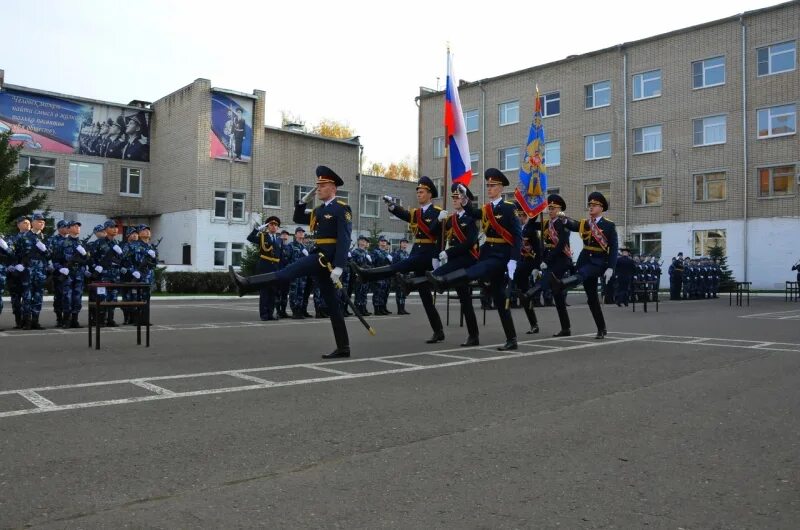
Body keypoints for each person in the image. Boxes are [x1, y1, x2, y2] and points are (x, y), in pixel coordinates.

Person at [230, 165, 353, 359]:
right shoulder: (320, 210)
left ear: (333, 188)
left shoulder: (341, 208)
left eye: (322, 185)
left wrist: (339, 265)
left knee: (287, 272)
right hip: (320, 257)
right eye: (317, 186)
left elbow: (345, 238)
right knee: (333, 305)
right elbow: (298, 217)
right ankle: (344, 347)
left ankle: (247, 284)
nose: (318, 189)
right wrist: (303, 201)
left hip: (324, 259)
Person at [427, 169, 522, 351]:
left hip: (501, 256)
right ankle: (512, 339)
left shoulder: (510, 208)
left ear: (501, 188)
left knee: (476, 271)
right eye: (488, 185)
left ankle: (443, 281)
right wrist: (464, 198)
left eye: (493, 186)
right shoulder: (486, 209)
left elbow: (517, 236)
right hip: (488, 253)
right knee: (501, 299)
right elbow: (472, 212)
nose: (490, 188)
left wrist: (514, 260)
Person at [351, 176, 445, 343]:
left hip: (427, 254)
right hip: (417, 251)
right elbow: (405, 214)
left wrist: (437, 257)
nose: (419, 194)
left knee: (399, 266)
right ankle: (438, 331)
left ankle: (367, 275)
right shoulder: (417, 213)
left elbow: (441, 237)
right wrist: (392, 206)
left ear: (430, 194)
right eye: (417, 192)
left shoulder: (437, 212)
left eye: (422, 192)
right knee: (425, 296)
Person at [408, 183, 480, 346]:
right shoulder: (451, 218)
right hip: (455, 260)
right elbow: (434, 233)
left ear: (465, 199)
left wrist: (448, 253)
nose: (454, 200)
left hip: (466, 260)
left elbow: (470, 243)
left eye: (458, 197)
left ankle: (412, 283)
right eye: (453, 197)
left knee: (441, 277)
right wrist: (438, 220)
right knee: (464, 298)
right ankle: (473, 335)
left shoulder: (471, 218)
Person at [551, 191, 618, 339]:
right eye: (589, 205)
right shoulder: (586, 223)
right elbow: (574, 225)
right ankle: (602, 328)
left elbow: (613, 248)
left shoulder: (608, 225)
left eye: (594, 205)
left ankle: (562, 284)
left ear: (601, 207)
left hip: (598, 261)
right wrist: (563, 219)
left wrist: (610, 267)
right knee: (592, 298)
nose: (591, 207)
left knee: (584, 273)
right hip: (585, 258)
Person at [53, 221, 90, 328]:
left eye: (78, 226)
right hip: (67, 274)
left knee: (77, 297)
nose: (77, 228)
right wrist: (61, 269)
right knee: (67, 297)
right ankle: (66, 320)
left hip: (79, 274)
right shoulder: (62, 243)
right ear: (68, 229)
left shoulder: (83, 243)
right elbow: (55, 260)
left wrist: (85, 255)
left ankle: (75, 320)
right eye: (74, 226)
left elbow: (88, 260)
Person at [247, 216, 283, 321]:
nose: (274, 226)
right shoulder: (263, 236)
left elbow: (279, 256)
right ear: (268, 226)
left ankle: (270, 314)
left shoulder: (279, 240)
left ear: (277, 228)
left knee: (273, 291)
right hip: (264, 266)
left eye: (276, 225)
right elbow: (250, 238)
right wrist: (257, 229)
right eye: (271, 224)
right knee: (264, 292)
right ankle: (264, 314)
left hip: (275, 268)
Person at [515, 204, 542, 334]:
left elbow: (538, 249)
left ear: (525, 216)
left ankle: (534, 323)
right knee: (523, 294)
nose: (519, 218)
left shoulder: (530, 229)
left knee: (526, 294)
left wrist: (537, 267)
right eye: (518, 215)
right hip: (520, 264)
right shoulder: (516, 228)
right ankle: (533, 323)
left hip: (530, 263)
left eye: (521, 215)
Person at [49, 220, 69, 327]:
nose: (67, 228)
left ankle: (67, 318)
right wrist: (58, 268)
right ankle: (59, 318)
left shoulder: (71, 240)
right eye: (65, 226)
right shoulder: (54, 240)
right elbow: (52, 256)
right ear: (59, 228)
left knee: (67, 296)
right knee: (59, 296)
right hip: (59, 272)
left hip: (70, 272)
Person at [286, 227, 310, 318]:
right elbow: (286, 259)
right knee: (293, 292)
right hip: (294, 273)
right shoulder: (291, 245)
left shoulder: (304, 247)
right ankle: (294, 310)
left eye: (302, 232)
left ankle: (299, 310)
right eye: (299, 232)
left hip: (302, 274)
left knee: (301, 292)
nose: (301, 234)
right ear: (295, 234)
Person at [350, 236, 373, 316]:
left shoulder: (366, 253)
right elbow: (352, 264)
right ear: (359, 242)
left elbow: (369, 265)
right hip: (359, 276)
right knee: (359, 293)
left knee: (364, 293)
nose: (363, 242)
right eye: (362, 241)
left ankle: (363, 308)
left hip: (365, 276)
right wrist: (356, 273)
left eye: (365, 241)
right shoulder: (355, 252)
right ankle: (358, 310)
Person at [370, 236, 393, 315]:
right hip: (378, 275)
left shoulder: (387, 253)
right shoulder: (375, 252)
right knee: (377, 293)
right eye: (382, 241)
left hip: (385, 276)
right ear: (379, 242)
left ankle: (382, 308)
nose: (383, 242)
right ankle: (377, 309)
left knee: (383, 293)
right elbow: (372, 262)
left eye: (385, 241)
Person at [392, 239, 411, 315]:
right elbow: (394, 264)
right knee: (399, 293)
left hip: (406, 276)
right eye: (403, 243)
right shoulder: (397, 254)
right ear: (400, 244)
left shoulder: (407, 254)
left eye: (406, 243)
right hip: (399, 275)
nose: (405, 244)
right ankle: (399, 309)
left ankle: (403, 308)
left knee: (403, 293)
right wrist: (396, 274)